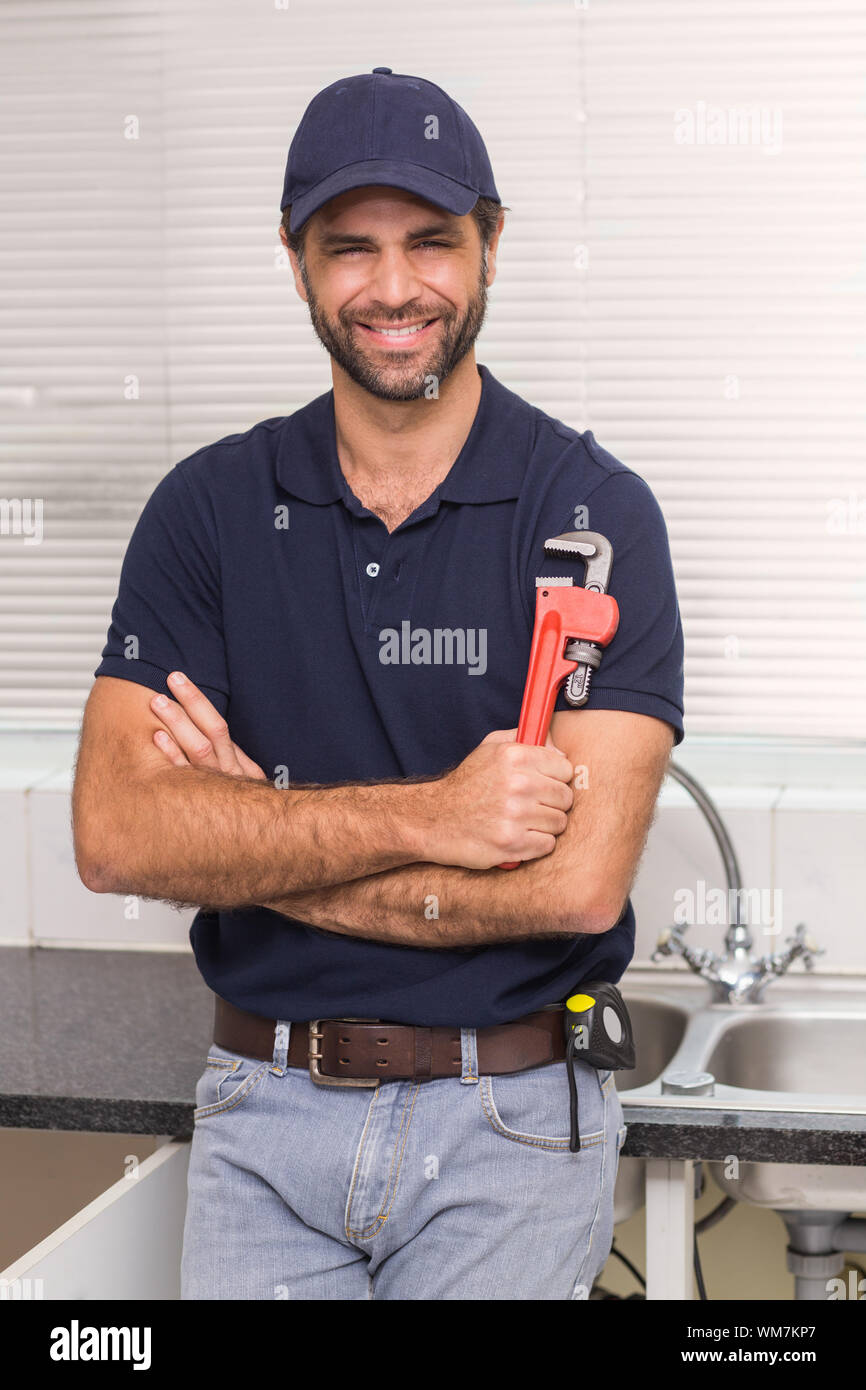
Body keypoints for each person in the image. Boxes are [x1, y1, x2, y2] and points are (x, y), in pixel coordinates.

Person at [72, 68, 684, 1300]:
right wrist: (435, 819)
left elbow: (571, 886)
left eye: (430, 242)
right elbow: (117, 832)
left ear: (491, 246)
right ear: (296, 260)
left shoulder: (594, 518)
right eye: (348, 246)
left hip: (509, 1124)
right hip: (262, 1118)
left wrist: (254, 842)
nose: (393, 287)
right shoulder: (209, 512)